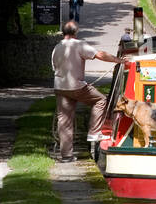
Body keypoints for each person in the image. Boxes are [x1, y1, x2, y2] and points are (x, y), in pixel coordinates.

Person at [51, 21, 121, 163]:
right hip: (77, 86)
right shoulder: (79, 44)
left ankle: (66, 156)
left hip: (60, 87)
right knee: (100, 100)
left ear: (64, 32)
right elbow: (99, 54)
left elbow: (55, 67)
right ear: (75, 32)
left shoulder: (57, 47)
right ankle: (94, 133)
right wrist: (118, 60)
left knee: (64, 121)